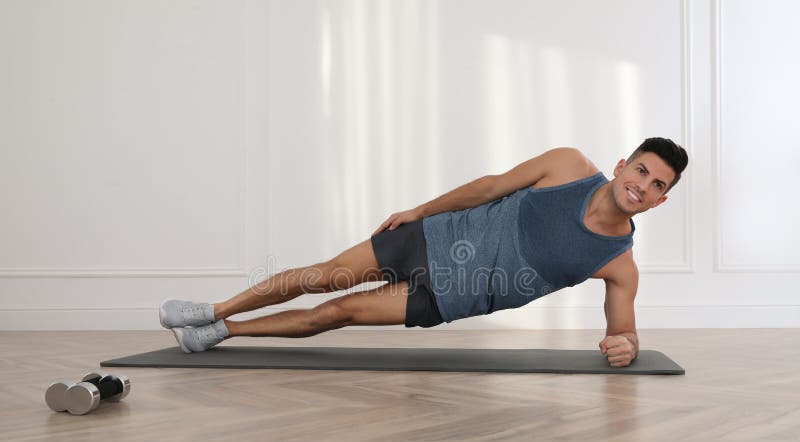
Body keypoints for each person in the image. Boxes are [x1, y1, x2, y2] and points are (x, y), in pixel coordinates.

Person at [159, 137, 688, 368]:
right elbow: (489, 187)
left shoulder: (619, 264)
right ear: (623, 165)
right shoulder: (569, 165)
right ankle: (214, 310)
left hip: (452, 296)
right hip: (435, 237)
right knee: (322, 278)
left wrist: (628, 347)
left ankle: (223, 334)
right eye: (641, 170)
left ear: (661, 201)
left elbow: (624, 332)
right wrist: (419, 210)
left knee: (337, 313)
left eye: (657, 185)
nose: (643, 185)